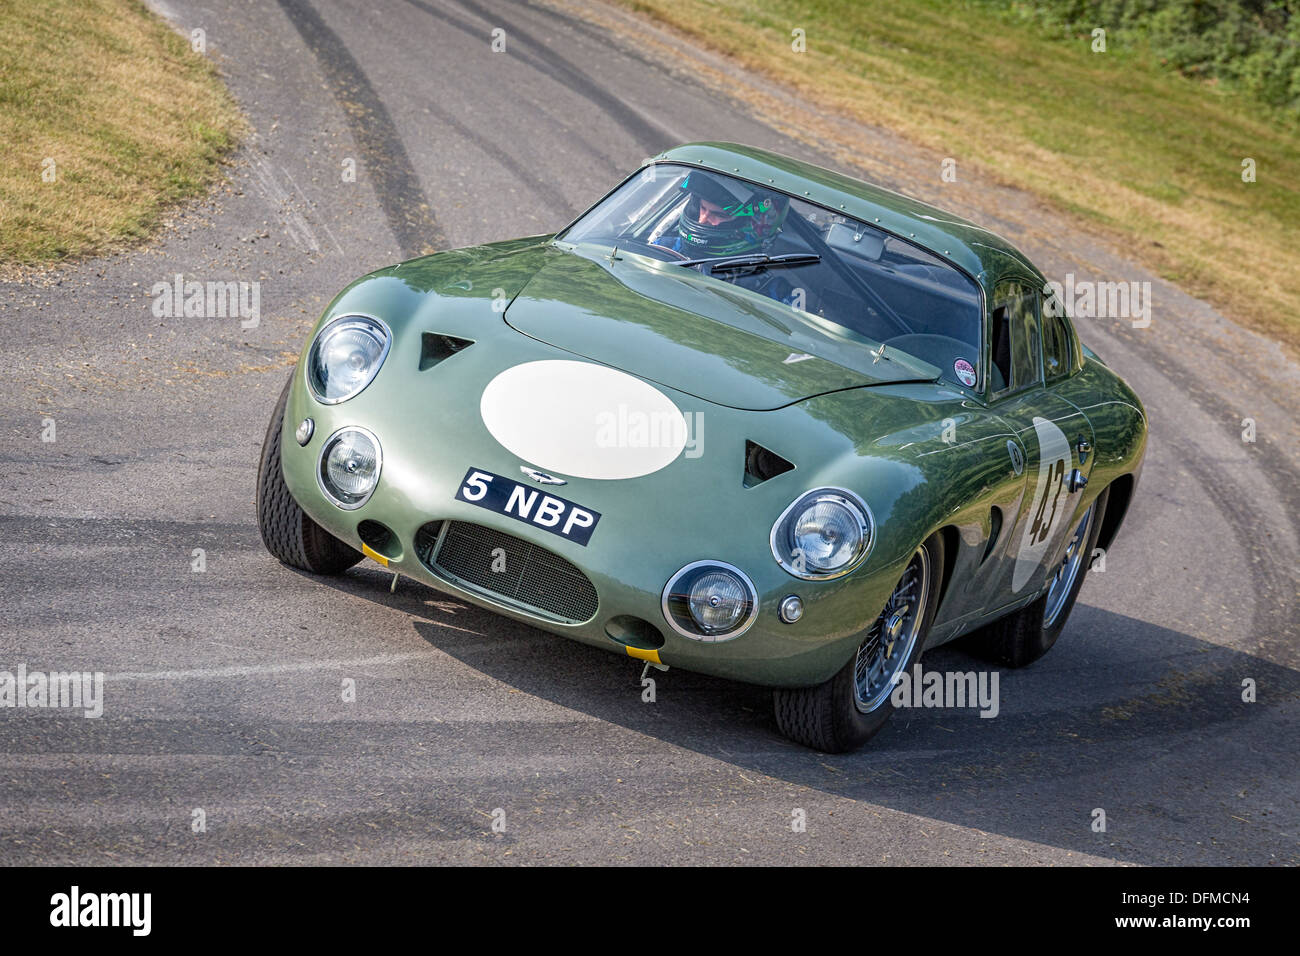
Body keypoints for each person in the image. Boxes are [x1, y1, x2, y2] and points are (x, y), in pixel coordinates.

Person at [653, 171, 799, 305]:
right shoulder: (663, 249)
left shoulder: (773, 293)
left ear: (753, 224)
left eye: (719, 215)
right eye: (702, 208)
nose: (702, 220)